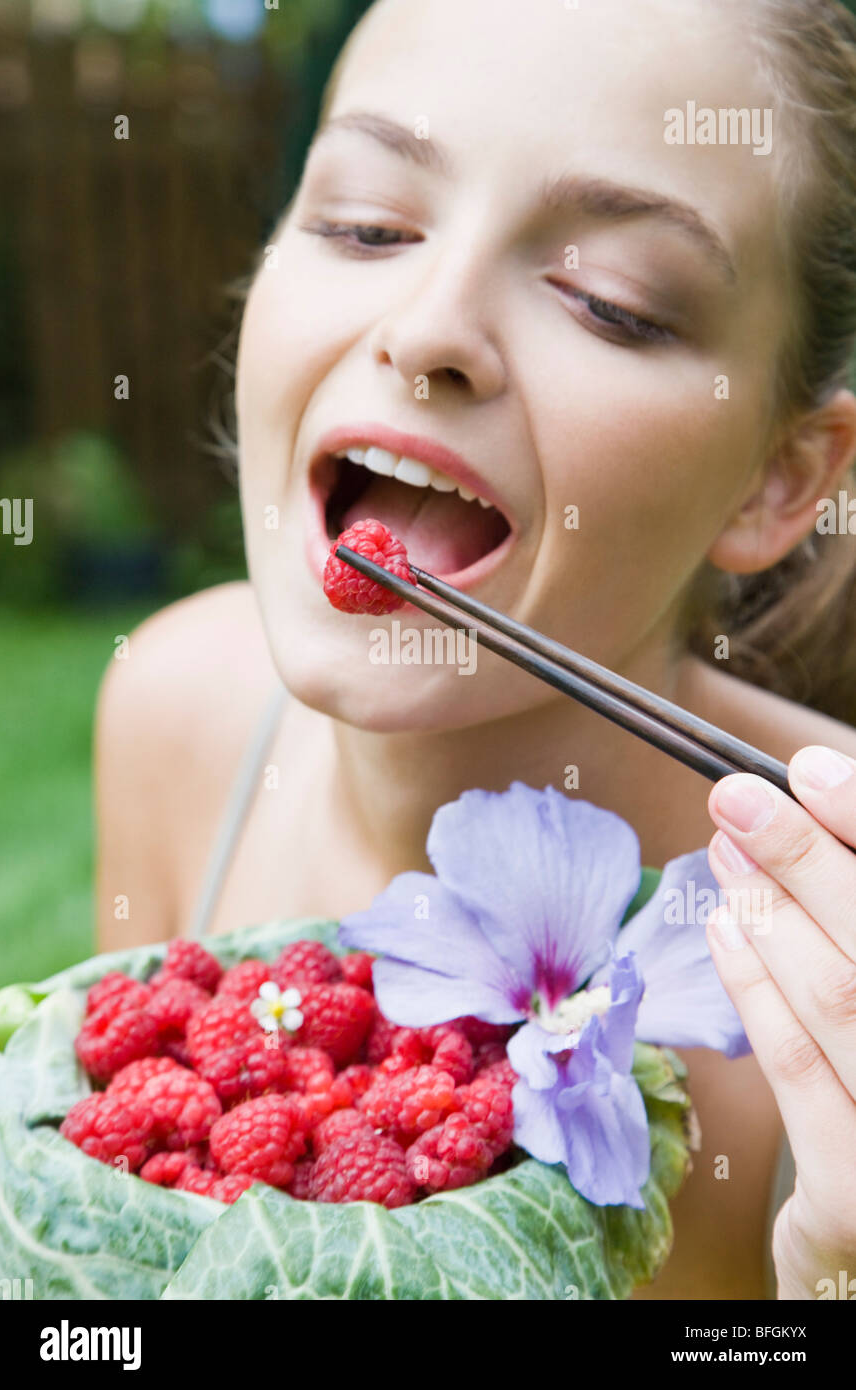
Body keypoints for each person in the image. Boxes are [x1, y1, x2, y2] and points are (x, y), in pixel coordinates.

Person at [94, 0, 856, 1300]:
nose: (429, 327)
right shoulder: (176, 709)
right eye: (364, 223)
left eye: (608, 301)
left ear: (775, 483)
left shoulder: (818, 964)